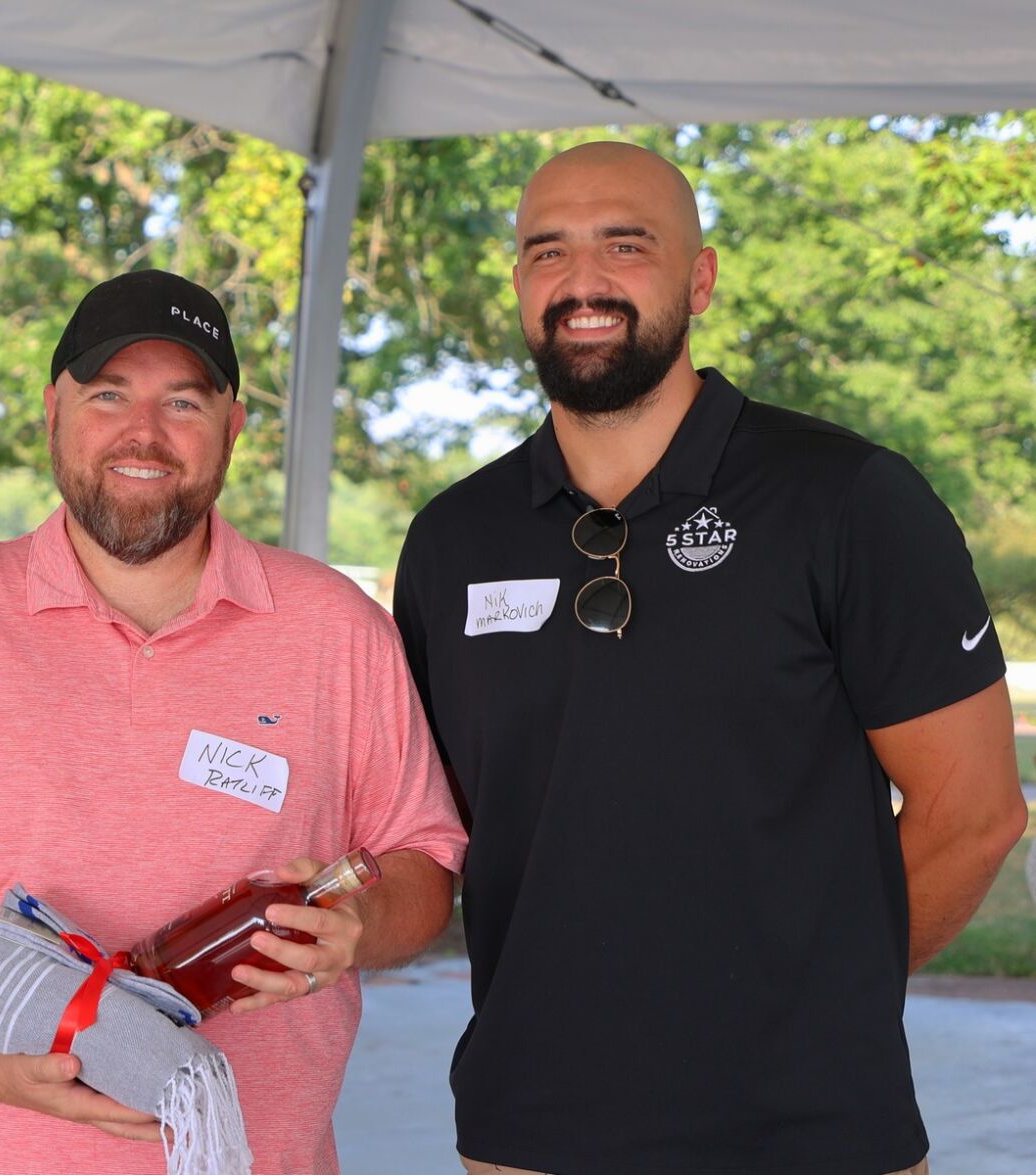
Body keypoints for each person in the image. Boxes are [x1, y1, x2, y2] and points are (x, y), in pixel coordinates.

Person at [392, 141, 1028, 1175]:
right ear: (516, 283)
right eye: (544, 252)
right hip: (527, 1132)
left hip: (807, 1133)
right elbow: (431, 825)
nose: (580, 282)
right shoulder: (453, 538)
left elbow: (974, 812)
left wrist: (807, 1002)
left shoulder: (849, 500)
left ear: (699, 278)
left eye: (623, 244)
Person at [0, 268, 468, 1174]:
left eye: (182, 402)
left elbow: (422, 863)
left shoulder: (334, 627)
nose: (141, 432)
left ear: (231, 429)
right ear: (52, 412)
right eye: (108, 394)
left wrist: (359, 926)